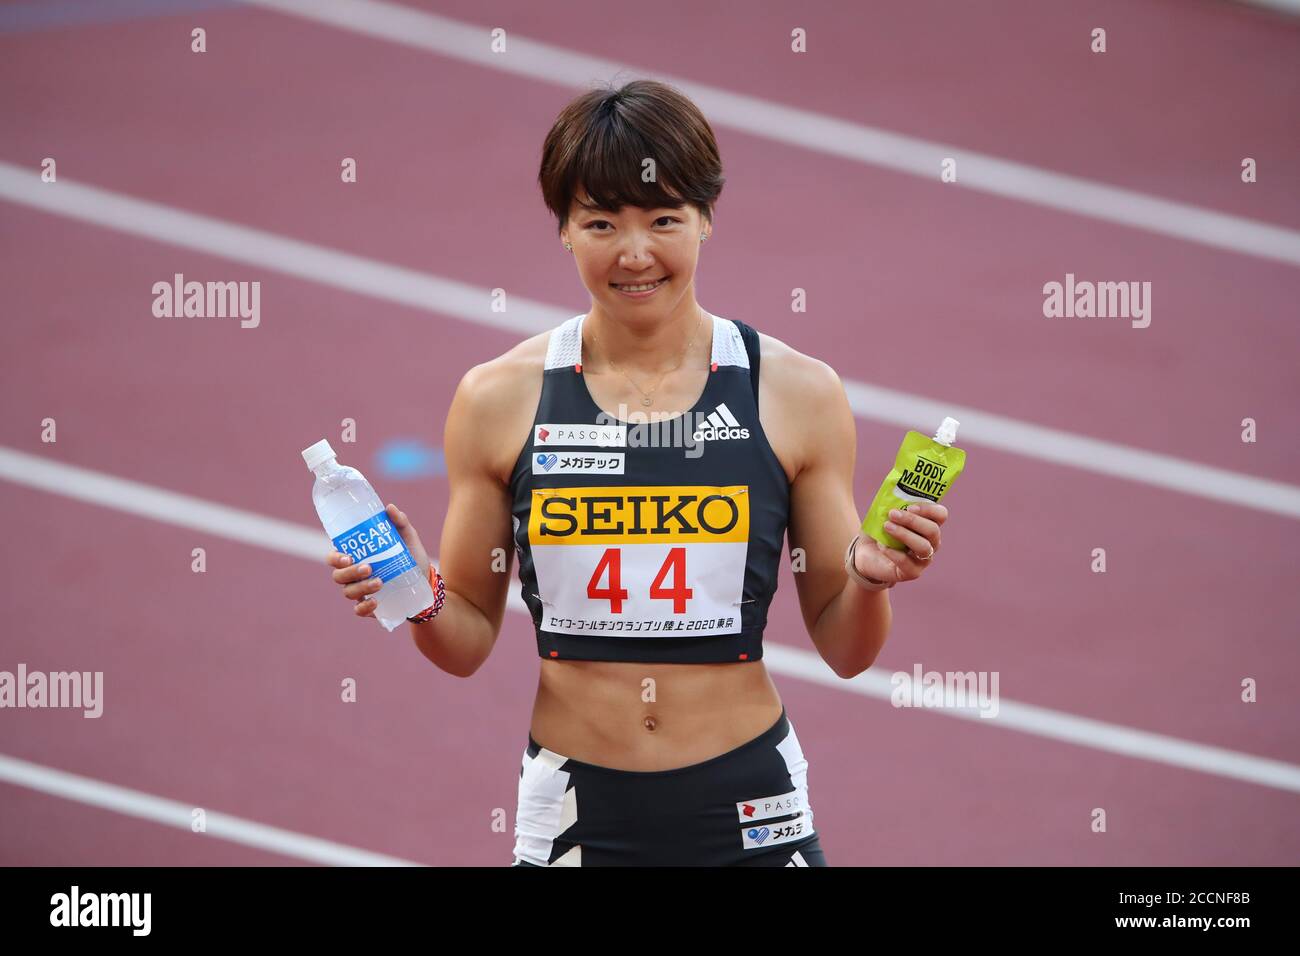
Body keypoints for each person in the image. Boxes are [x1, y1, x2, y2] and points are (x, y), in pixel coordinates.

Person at [326, 79, 949, 866]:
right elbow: (466, 643)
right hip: (576, 812)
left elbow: (848, 650)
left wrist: (868, 579)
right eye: (601, 223)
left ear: (706, 219)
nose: (634, 254)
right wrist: (414, 592)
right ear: (563, 230)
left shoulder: (796, 393)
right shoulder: (497, 398)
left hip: (750, 808)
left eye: (663, 220)